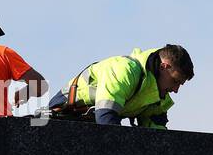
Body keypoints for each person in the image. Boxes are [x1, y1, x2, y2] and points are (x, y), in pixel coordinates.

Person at [48, 45, 193, 129]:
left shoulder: (160, 97)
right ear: (164, 67)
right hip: (60, 115)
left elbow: (157, 139)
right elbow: (106, 118)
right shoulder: (125, 70)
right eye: (175, 81)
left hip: (89, 125)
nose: (176, 90)